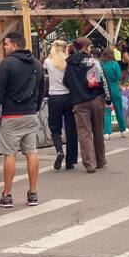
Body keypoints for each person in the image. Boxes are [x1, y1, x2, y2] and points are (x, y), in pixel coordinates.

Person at [0, 31, 44, 206]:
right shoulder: (37, 63)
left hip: (11, 115)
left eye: (6, 44)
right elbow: (41, 90)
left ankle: (7, 195)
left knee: (9, 154)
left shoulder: (6, 64)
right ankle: (33, 193)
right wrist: (34, 109)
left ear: (15, 45)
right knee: (31, 153)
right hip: (30, 115)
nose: (5, 47)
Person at [66, 37, 108, 173]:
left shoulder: (70, 63)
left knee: (84, 133)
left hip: (79, 101)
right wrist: (108, 98)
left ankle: (90, 164)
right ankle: (100, 160)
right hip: (96, 99)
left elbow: (65, 81)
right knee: (98, 131)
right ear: (86, 47)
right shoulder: (93, 62)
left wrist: (77, 88)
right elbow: (102, 80)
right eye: (90, 47)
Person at [44, 40, 79, 171]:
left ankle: (59, 151)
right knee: (71, 129)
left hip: (54, 97)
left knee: (55, 128)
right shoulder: (68, 61)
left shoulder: (48, 62)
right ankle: (70, 161)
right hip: (68, 96)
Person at [100, 44, 126, 137]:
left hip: (104, 89)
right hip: (114, 87)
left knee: (106, 111)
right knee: (118, 109)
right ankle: (122, 130)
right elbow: (119, 76)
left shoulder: (100, 64)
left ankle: (107, 132)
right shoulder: (115, 64)